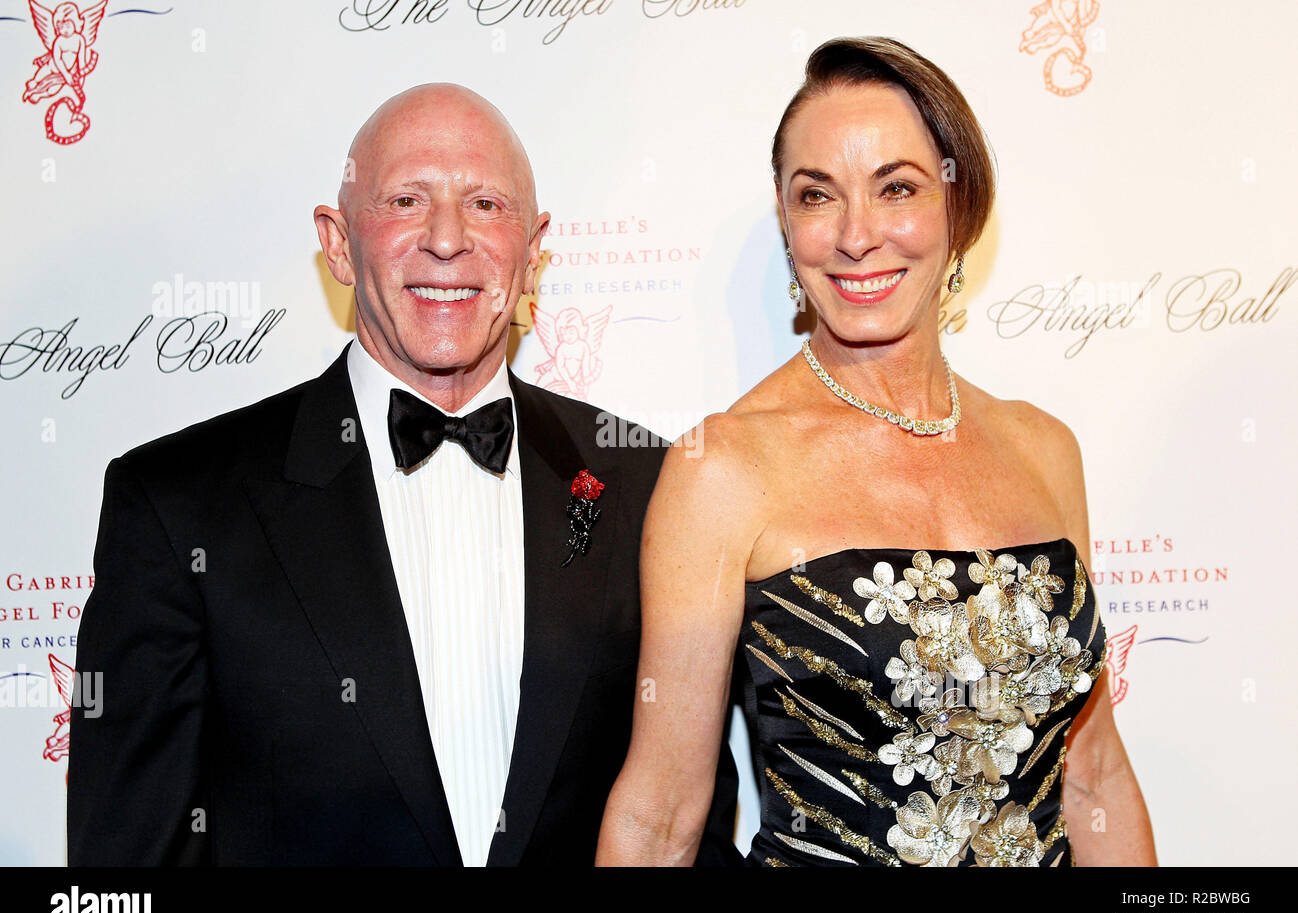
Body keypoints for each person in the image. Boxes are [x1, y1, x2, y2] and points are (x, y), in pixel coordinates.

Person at [66, 83, 740, 866]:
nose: (448, 240)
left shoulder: (645, 482)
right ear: (338, 243)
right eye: (406, 200)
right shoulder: (179, 504)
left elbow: (689, 818)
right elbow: (127, 867)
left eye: (487, 204)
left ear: (534, 250)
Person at [597, 37, 1156, 867]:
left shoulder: (1044, 448)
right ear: (788, 222)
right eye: (817, 196)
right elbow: (660, 816)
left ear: (959, 209)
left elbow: (1095, 775)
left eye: (897, 188)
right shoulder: (724, 467)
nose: (857, 236)